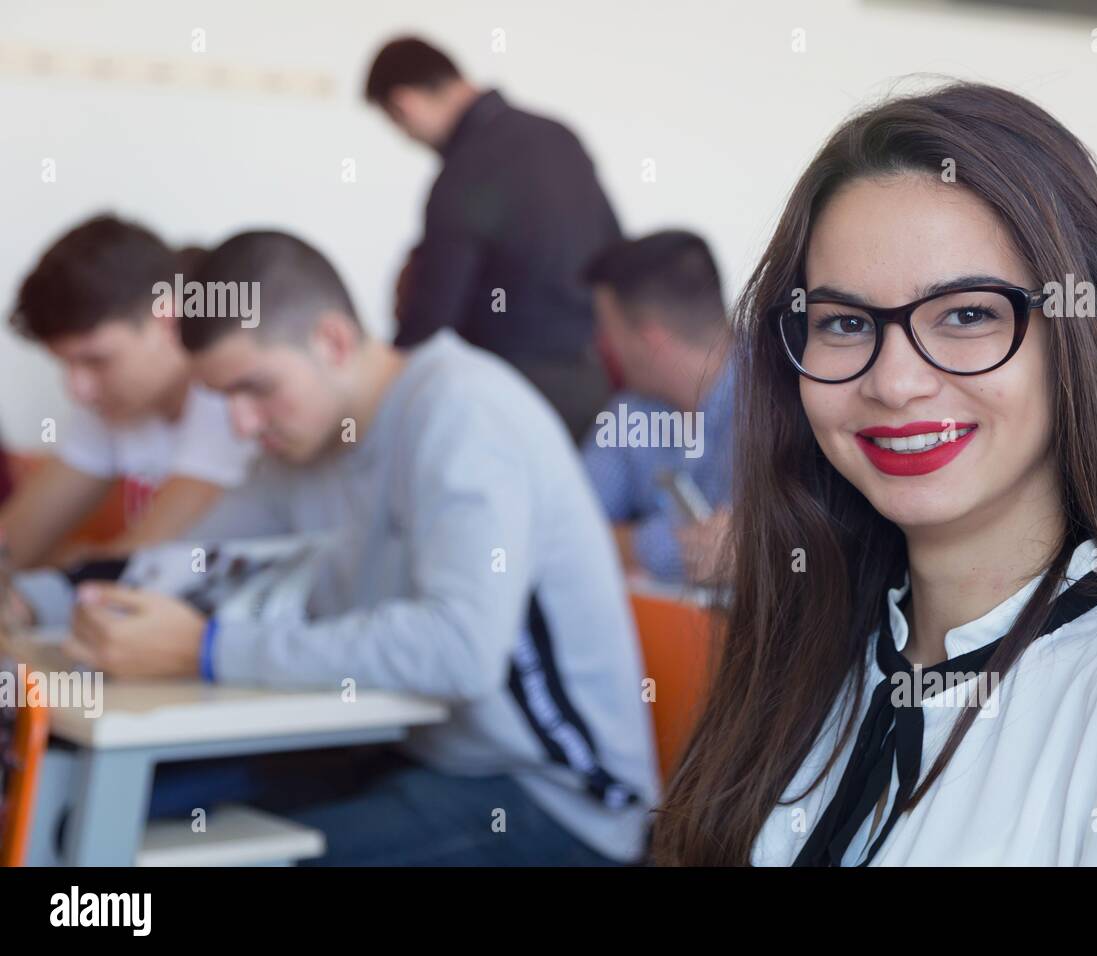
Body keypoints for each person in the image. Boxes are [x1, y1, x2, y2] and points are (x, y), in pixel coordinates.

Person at [650, 83, 1097, 866]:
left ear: (1081, 340)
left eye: (966, 314)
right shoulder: (809, 643)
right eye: (845, 323)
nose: (894, 382)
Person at [62, 230, 658, 866]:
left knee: (214, 862)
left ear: (333, 341)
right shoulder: (306, 439)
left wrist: (207, 650)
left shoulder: (463, 413)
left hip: (552, 799)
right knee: (99, 814)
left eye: (254, 388)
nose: (241, 423)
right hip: (402, 750)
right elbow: (188, 558)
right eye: (223, 398)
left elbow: (459, 650)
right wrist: (43, 599)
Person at [365, 36, 618, 441]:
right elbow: (615, 253)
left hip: (502, 401)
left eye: (400, 126)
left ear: (403, 103)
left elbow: (431, 323)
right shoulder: (559, 136)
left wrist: (377, 388)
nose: (408, 137)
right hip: (593, 389)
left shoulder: (462, 172)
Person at [1, 215, 254, 573]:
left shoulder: (229, 397)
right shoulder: (115, 403)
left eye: (96, 361)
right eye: (66, 365)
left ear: (169, 320)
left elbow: (137, 564)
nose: (78, 391)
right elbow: (16, 540)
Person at [580, 231, 735, 586]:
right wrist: (685, 547)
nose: (598, 347)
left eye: (607, 332)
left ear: (650, 341)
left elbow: (767, 548)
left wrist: (627, 544)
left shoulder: (786, 403)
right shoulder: (630, 411)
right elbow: (565, 528)